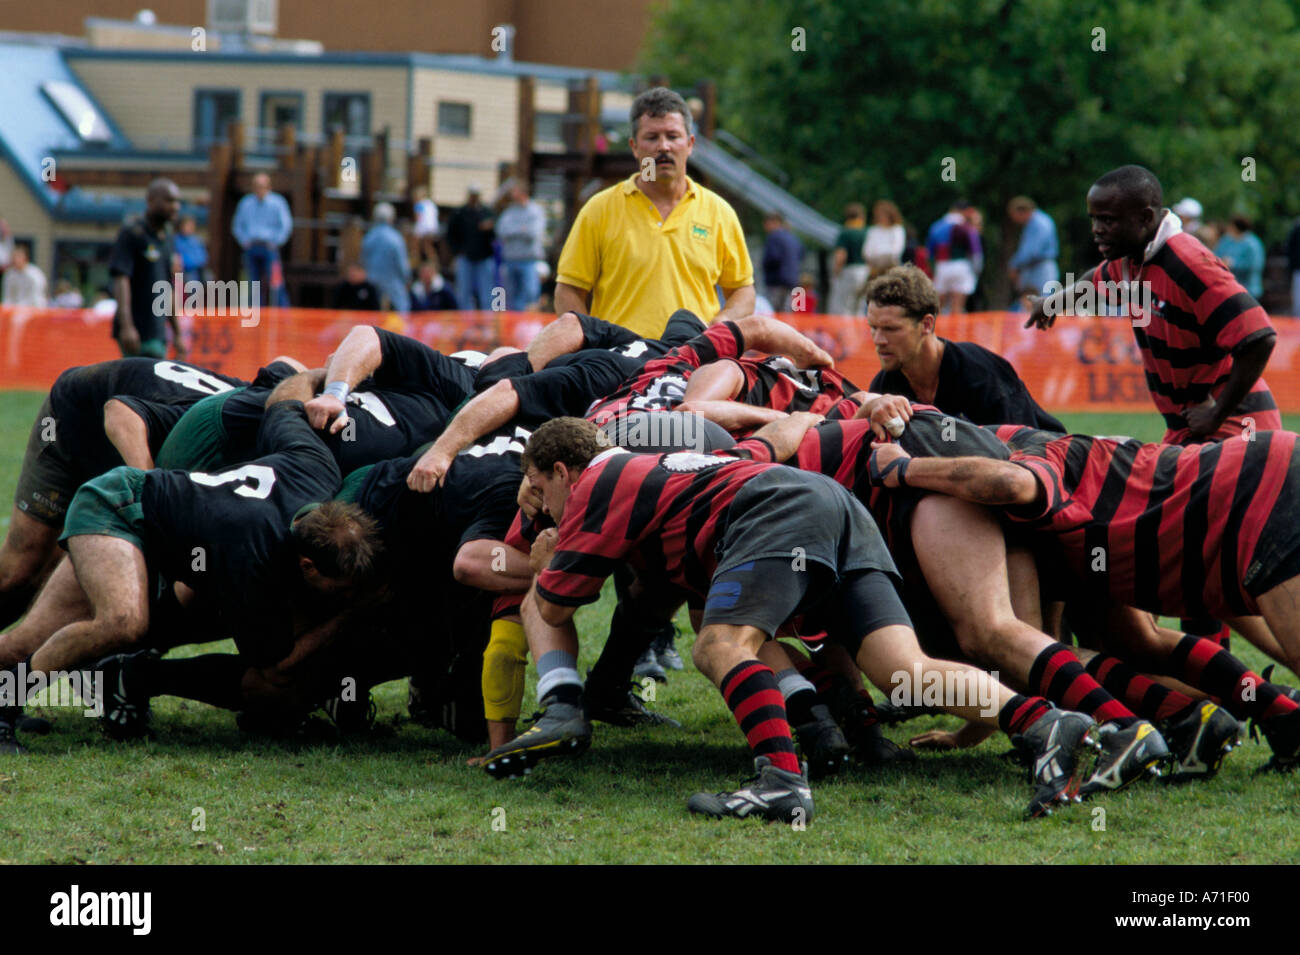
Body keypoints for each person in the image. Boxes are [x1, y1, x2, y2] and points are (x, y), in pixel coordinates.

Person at [483, 415, 1098, 821]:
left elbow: (558, 605)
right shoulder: (654, 465)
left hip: (774, 510)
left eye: (538, 493)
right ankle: (1043, 722)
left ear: (562, 470)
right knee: (902, 670)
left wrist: (543, 562)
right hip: (830, 503)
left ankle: (779, 781)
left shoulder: (598, 478)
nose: (541, 510)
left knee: (719, 646)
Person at [1026, 165, 1279, 446]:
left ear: (1145, 217)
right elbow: (1095, 280)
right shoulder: (1131, 262)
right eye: (1094, 219)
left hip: (1236, 429)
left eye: (1107, 220)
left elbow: (1259, 338)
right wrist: (1051, 303)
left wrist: (1217, 414)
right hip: (1191, 429)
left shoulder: (1189, 263)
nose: (1097, 230)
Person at [554, 87, 755, 338]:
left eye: (673, 136)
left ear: (690, 144)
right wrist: (589, 342)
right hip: (619, 363)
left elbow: (743, 291)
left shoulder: (719, 213)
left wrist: (721, 323)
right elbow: (568, 290)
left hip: (692, 361)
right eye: (652, 137)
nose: (664, 147)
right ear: (634, 147)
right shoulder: (600, 209)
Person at [866, 265, 1063, 429]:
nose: (879, 339)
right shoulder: (884, 390)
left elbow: (1026, 451)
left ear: (926, 324)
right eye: (873, 328)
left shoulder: (981, 375)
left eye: (891, 329)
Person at [108, 179, 186, 359]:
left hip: (158, 331)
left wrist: (177, 334)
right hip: (136, 330)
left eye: (177, 201)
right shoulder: (132, 233)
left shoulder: (168, 236)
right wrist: (127, 326)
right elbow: (121, 280)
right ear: (151, 200)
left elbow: (168, 288)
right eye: (169, 200)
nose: (176, 206)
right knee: (141, 383)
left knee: (152, 384)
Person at [232, 172, 292, 307]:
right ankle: (256, 314)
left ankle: (282, 313)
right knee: (253, 283)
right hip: (251, 246)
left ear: (269, 187)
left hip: (269, 247)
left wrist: (276, 242)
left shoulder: (277, 202)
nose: (259, 189)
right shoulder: (246, 203)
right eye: (257, 186)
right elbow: (237, 225)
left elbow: (285, 225)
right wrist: (245, 241)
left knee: (276, 282)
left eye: (262, 186)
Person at [495, 179, 546, 310]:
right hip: (510, 260)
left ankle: (529, 326)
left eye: (515, 192)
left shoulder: (535, 211)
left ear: (523, 192)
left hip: (529, 261)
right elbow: (501, 231)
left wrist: (514, 231)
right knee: (510, 297)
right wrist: (521, 229)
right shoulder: (509, 212)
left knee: (530, 295)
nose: (513, 195)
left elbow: (533, 233)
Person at [925, 200, 980, 314]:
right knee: (958, 306)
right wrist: (976, 271)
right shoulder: (967, 227)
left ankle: (936, 330)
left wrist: (933, 271)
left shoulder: (936, 226)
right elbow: (976, 252)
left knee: (938, 306)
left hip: (942, 266)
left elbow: (929, 253)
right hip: (962, 266)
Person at [447, 184, 495, 310]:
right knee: (464, 293)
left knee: (487, 293)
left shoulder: (486, 212)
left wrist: (489, 229)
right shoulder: (460, 213)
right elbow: (451, 234)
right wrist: (457, 252)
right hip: (465, 257)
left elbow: (494, 236)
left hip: (483, 257)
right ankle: (465, 321)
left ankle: (486, 322)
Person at [360, 202, 411, 314]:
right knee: (402, 313)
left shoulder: (369, 237)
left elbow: (363, 261)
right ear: (391, 218)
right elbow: (402, 264)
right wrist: (407, 279)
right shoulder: (396, 238)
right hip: (393, 284)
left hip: (372, 283)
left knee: (374, 315)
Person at [1006, 197, 1059, 296]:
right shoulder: (1034, 223)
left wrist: (1014, 265)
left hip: (1041, 268)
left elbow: (1032, 251)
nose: (1015, 220)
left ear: (1021, 211)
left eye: (1014, 215)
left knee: (1044, 301)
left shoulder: (1039, 223)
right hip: (1036, 268)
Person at [829, 202, 869, 316]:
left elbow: (841, 255)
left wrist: (836, 273)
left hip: (849, 271)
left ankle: (846, 333)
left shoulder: (845, 233)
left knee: (844, 307)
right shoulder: (867, 232)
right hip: (865, 271)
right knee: (860, 306)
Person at [1215, 214, 1265, 299]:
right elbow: (1216, 255)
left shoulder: (1252, 244)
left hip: (1248, 289)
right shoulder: (1226, 240)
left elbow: (1255, 265)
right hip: (1227, 289)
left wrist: (1233, 264)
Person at [761, 212, 802, 312]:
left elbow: (773, 257)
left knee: (772, 312)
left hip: (776, 281)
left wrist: (764, 266)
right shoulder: (793, 238)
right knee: (787, 313)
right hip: (793, 281)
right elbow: (802, 254)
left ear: (774, 222)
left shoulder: (774, 237)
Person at [862, 199, 905, 281]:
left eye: (883, 215)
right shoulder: (873, 230)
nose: (880, 217)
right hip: (875, 270)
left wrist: (878, 253)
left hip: (892, 268)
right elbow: (867, 252)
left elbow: (896, 251)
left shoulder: (897, 229)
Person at [173, 215, 209, 287]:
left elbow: (203, 257)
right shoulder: (176, 240)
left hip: (199, 270)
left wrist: (195, 262)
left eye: (191, 226)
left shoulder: (197, 240)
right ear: (181, 226)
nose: (189, 228)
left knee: (209, 278)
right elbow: (179, 259)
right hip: (185, 271)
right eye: (187, 225)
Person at [412, 186, 440, 264]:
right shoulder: (431, 204)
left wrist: (417, 232)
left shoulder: (419, 204)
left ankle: (415, 262)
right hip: (433, 228)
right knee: (428, 246)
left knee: (417, 245)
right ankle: (434, 262)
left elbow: (418, 219)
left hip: (425, 227)